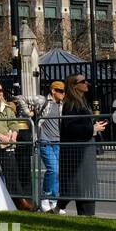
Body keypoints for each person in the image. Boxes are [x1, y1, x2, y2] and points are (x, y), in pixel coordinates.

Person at [58, 73, 107, 215]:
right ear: (74, 86)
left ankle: (61, 206)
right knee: (83, 188)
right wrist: (92, 129)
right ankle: (84, 215)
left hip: (85, 151)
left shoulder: (81, 101)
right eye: (83, 81)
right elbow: (70, 127)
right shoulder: (71, 103)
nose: (87, 84)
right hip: (79, 153)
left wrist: (95, 126)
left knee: (83, 188)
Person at [0, 83, 33, 210]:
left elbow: (14, 123)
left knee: (12, 174)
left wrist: (14, 134)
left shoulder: (7, 107)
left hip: (7, 144)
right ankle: (14, 201)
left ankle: (19, 201)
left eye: (0, 90)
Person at [38, 81, 66, 211]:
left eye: (64, 91)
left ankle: (54, 201)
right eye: (60, 91)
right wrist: (28, 112)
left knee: (58, 171)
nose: (63, 93)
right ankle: (45, 197)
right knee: (53, 169)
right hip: (45, 140)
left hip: (57, 141)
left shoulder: (61, 105)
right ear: (53, 91)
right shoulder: (43, 101)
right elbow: (22, 99)